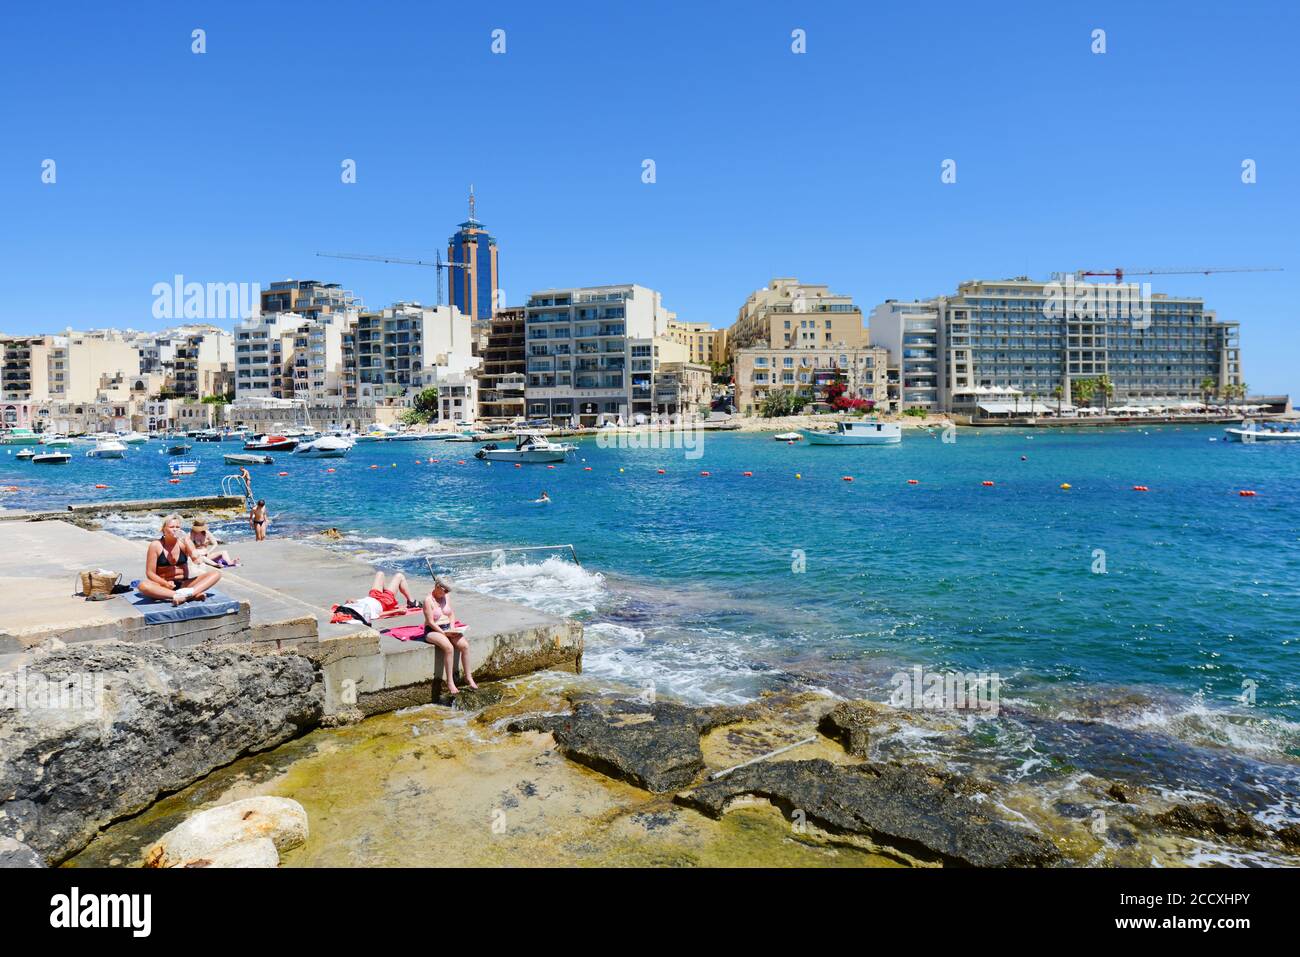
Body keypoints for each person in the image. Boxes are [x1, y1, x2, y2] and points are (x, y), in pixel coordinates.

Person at [138, 514, 222, 606]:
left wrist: (186, 540)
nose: (175, 529)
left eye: (177, 527)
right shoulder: (156, 545)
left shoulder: (183, 544)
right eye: (171, 527)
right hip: (163, 586)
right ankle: (189, 595)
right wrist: (165, 583)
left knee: (216, 574)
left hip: (184, 584)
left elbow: (197, 560)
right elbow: (150, 573)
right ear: (163, 529)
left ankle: (186, 595)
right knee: (143, 586)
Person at [422, 578, 476, 694]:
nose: (446, 593)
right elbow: (430, 621)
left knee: (464, 646)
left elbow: (451, 614)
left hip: (447, 628)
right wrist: (443, 633)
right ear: (437, 587)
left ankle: (468, 677)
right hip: (433, 630)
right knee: (449, 648)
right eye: (444, 591)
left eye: (447, 591)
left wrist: (452, 628)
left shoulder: (446, 597)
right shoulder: (428, 600)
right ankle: (450, 682)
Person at [336, 571, 420, 626]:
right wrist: (398, 611)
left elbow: (349, 603)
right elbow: (379, 615)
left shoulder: (345, 609)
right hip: (384, 602)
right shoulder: (363, 614)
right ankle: (412, 601)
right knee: (399, 576)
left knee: (380, 574)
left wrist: (352, 601)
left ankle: (389, 592)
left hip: (372, 596)